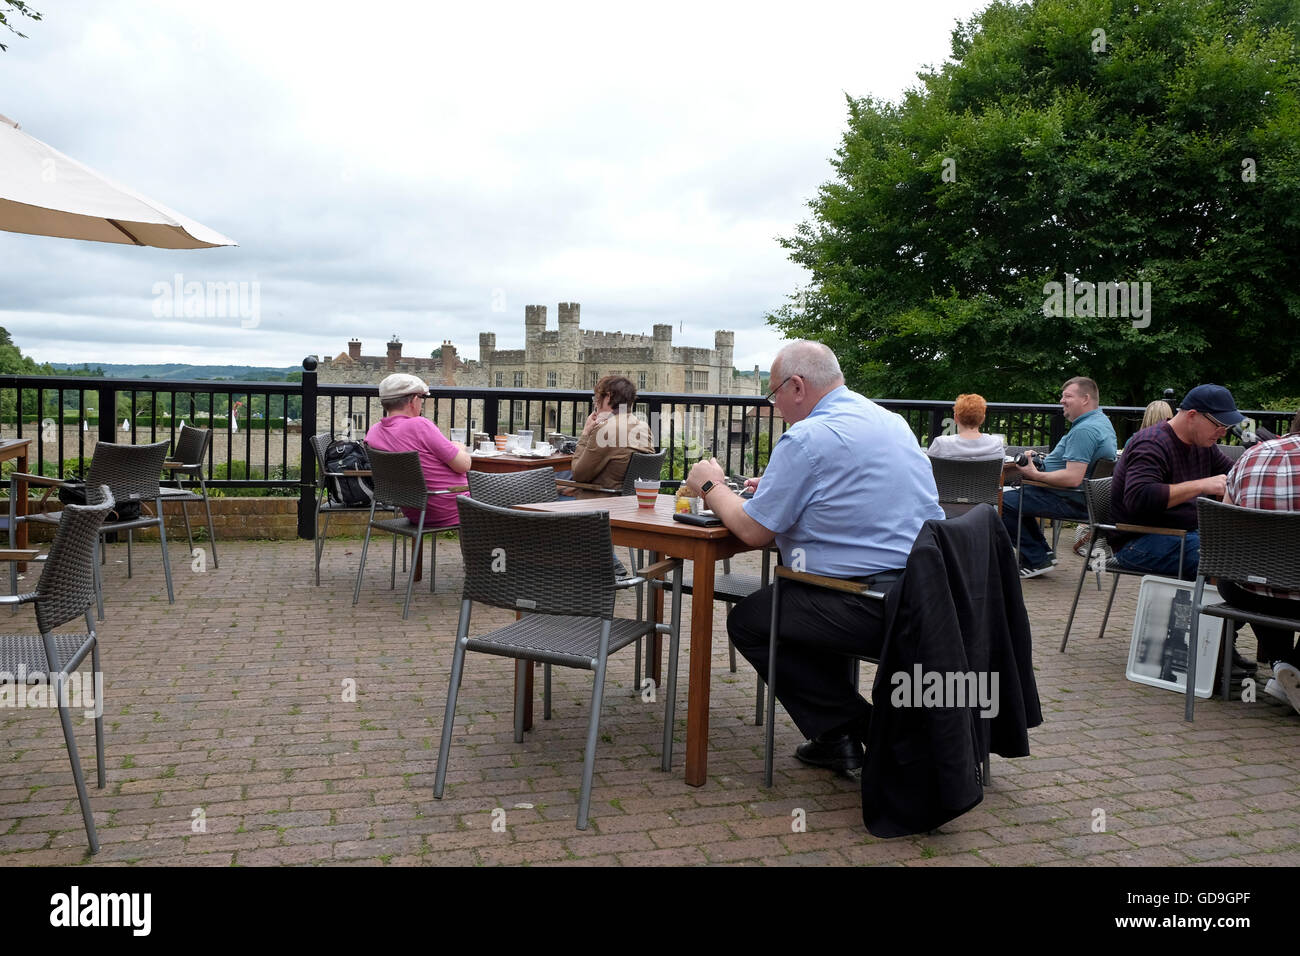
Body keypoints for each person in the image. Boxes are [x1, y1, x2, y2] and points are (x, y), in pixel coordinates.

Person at [685, 340, 944, 775]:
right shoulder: (891, 421)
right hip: (928, 596)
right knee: (796, 597)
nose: (776, 406)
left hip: (870, 604)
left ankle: (868, 728)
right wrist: (780, 485)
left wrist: (712, 487)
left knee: (752, 621)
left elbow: (750, 532)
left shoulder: (806, 437)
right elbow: (858, 492)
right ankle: (834, 740)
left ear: (798, 386)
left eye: (774, 395)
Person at [1108, 384, 1239, 580]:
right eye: (1218, 425)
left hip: (1184, 534)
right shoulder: (1151, 443)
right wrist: (1202, 485)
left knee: (1248, 549)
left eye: (1226, 427)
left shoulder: (1203, 443)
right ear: (1193, 415)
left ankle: (1197, 608)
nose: (1223, 433)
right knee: (1227, 561)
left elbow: (1235, 473)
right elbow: (1139, 498)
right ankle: (1203, 609)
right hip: (1138, 540)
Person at [1222, 409, 1300, 714]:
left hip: (1246, 588)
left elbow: (1228, 520)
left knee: (1263, 575)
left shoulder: (1251, 454)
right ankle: (1291, 666)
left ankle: (1283, 667)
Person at [1002, 377, 1117, 578]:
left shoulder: (1085, 430)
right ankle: (1041, 555)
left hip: (1070, 497)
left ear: (1085, 399)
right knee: (1019, 498)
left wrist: (1036, 474)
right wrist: (1041, 460)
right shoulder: (1101, 422)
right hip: (1083, 498)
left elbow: (1072, 478)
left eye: (1067, 396)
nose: (1062, 401)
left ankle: (1036, 559)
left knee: (1002, 502)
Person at [364, 373, 471, 527]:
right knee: (508, 495)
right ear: (414, 401)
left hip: (416, 512)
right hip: (452, 508)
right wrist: (460, 447)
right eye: (422, 398)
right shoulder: (420, 426)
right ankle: (493, 550)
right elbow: (464, 465)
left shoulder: (374, 433)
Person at [566, 375, 654, 500]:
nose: (595, 404)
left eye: (596, 399)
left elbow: (578, 475)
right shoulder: (644, 427)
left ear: (607, 397)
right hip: (631, 502)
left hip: (600, 504)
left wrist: (585, 433)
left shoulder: (605, 430)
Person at [927, 393, 1005, 460]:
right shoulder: (996, 443)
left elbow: (926, 468)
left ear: (955, 418)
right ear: (982, 419)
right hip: (987, 478)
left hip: (949, 478)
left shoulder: (941, 444)